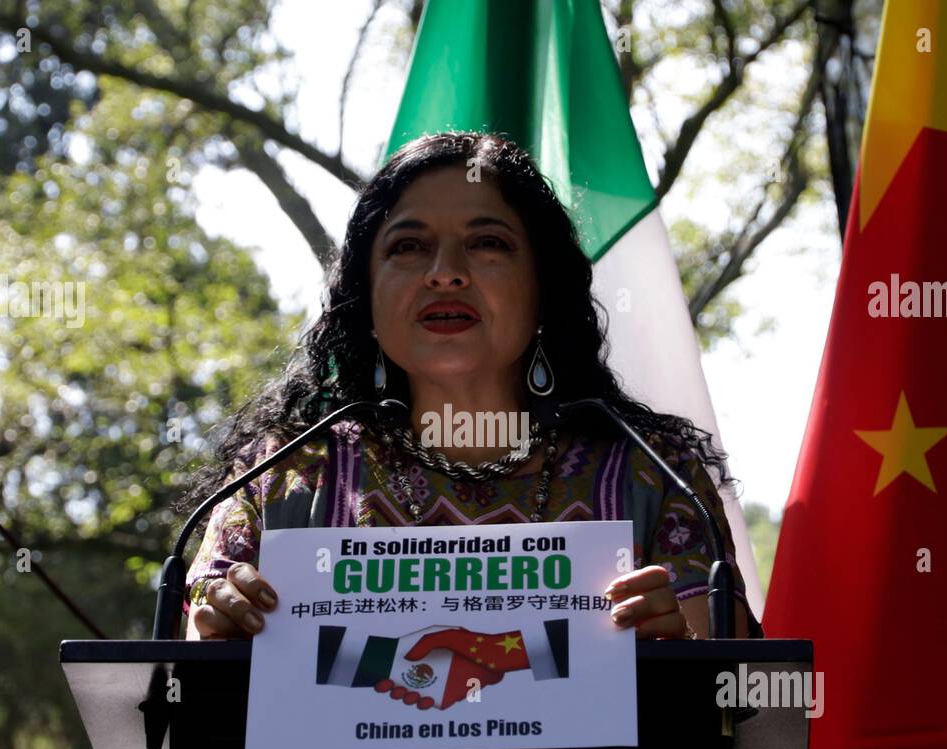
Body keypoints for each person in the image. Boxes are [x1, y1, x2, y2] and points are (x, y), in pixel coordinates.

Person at [177, 131, 763, 642]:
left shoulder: (652, 472)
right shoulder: (285, 474)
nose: (445, 272)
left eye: (487, 243)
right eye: (409, 246)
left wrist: (678, 647)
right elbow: (191, 666)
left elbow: (735, 706)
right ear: (368, 301)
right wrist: (220, 630)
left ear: (543, 291)